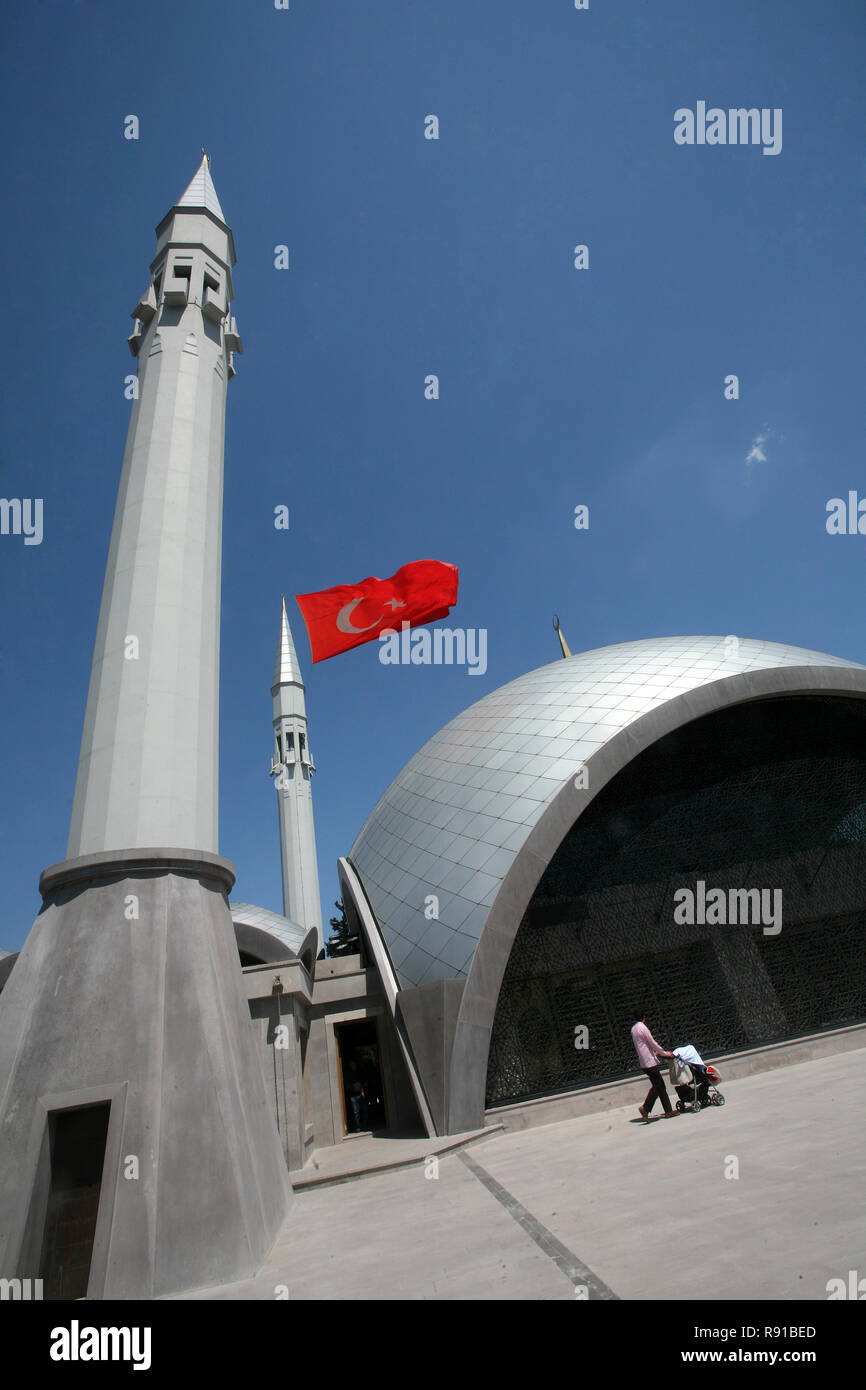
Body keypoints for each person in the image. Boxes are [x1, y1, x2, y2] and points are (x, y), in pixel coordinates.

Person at [631, 1012, 675, 1121]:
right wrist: (664, 1053)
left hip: (643, 1061)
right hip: (649, 1062)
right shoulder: (642, 1028)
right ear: (644, 1017)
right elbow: (652, 1042)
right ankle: (645, 1108)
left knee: (660, 1085)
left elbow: (643, 1045)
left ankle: (668, 1111)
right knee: (658, 1085)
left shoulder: (633, 1029)